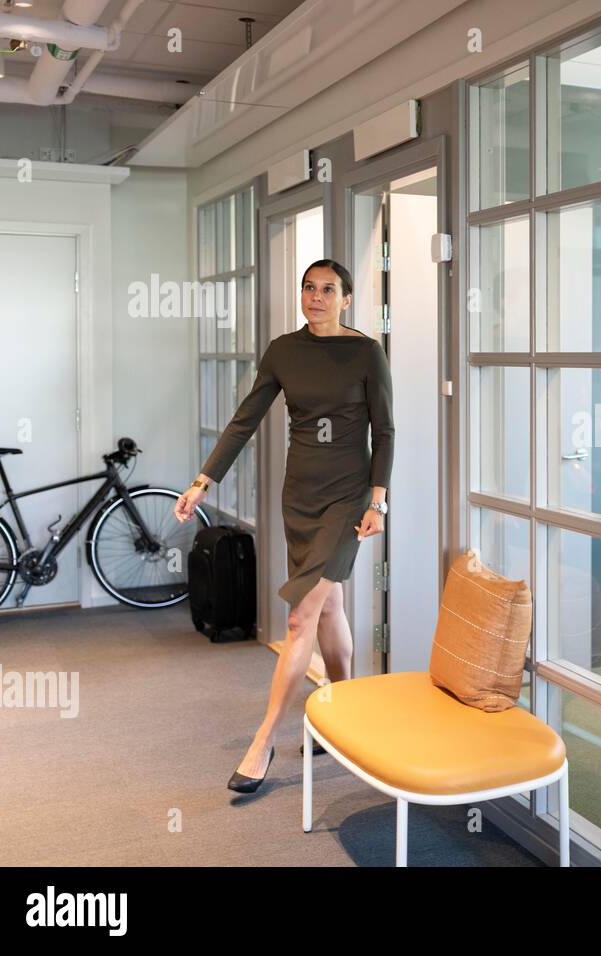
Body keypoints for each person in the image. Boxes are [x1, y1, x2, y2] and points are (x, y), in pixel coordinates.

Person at [173, 259, 394, 794]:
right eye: (308, 288)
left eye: (328, 290)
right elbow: (245, 419)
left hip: (346, 499)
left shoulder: (366, 352)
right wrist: (203, 481)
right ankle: (348, 715)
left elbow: (384, 429)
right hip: (299, 496)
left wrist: (378, 500)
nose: (315, 297)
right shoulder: (283, 351)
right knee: (330, 606)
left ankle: (264, 741)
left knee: (299, 618)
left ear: (345, 299)